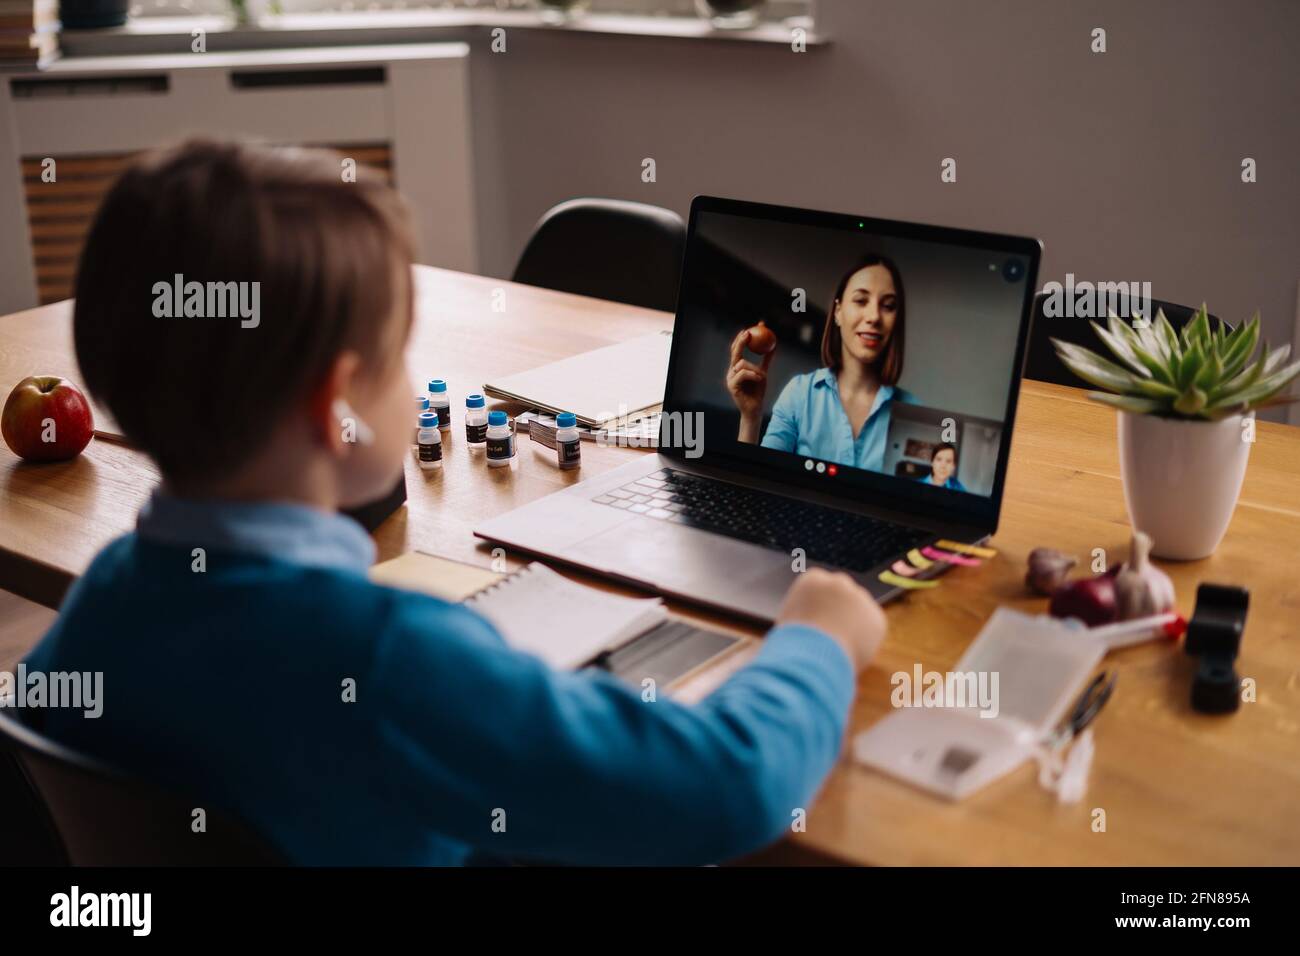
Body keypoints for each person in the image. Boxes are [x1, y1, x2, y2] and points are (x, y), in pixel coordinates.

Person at [21, 140, 889, 866]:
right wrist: (818, 640)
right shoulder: (388, 658)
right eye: (400, 356)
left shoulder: (107, 598)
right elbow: (726, 790)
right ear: (341, 408)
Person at [727, 254, 914, 473]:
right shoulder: (799, 393)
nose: (874, 316)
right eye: (861, 300)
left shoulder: (912, 414)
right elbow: (756, 483)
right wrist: (750, 417)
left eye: (888, 306)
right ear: (838, 312)